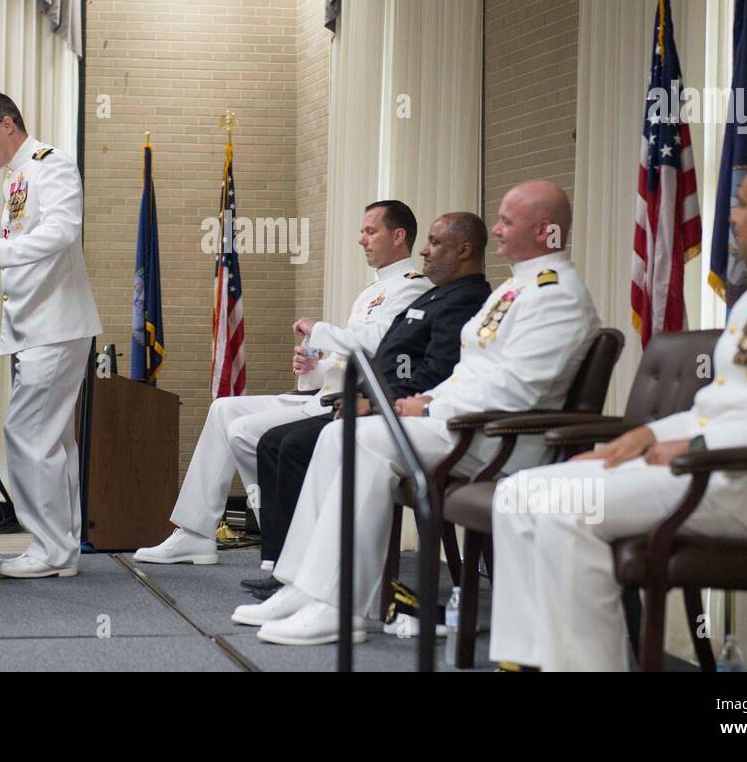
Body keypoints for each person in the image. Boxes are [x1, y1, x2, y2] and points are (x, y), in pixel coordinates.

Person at [488, 154, 747, 671]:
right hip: (711, 472)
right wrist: (644, 436)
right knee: (520, 491)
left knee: (563, 504)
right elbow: (718, 405)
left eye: (740, 205)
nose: (731, 218)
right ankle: (527, 660)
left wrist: (694, 448)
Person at [237, 181, 598, 646]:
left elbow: (517, 389)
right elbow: (475, 371)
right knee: (335, 437)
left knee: (362, 440)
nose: (499, 229)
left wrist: (431, 404)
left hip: (497, 439)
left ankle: (338, 606)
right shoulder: (515, 290)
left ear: (546, 230)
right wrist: (430, 402)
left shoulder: (556, 295)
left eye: (509, 221)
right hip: (461, 424)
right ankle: (303, 588)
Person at [134, 201, 430, 566]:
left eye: (371, 231)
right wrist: (314, 365)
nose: (361, 239)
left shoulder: (411, 288)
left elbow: (380, 343)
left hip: (345, 404)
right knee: (223, 408)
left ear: (398, 236)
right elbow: (350, 358)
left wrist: (320, 329)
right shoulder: (373, 291)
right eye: (362, 231)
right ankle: (195, 534)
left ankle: (283, 534)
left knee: (242, 431)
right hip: (322, 393)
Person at [247, 212, 493, 592]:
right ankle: (291, 569)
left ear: (464, 250)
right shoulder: (435, 294)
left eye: (435, 242)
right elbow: (392, 361)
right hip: (384, 405)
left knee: (297, 446)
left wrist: (376, 404)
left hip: (417, 418)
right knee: (278, 441)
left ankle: (312, 578)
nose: (424, 250)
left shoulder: (465, 300)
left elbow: (436, 373)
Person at [0, 93, 102, 579]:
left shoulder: (50, 164)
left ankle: (51, 548)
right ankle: (59, 547)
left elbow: (63, 231)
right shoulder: (17, 177)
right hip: (36, 327)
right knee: (52, 441)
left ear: (9, 125)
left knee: (27, 433)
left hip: (56, 326)